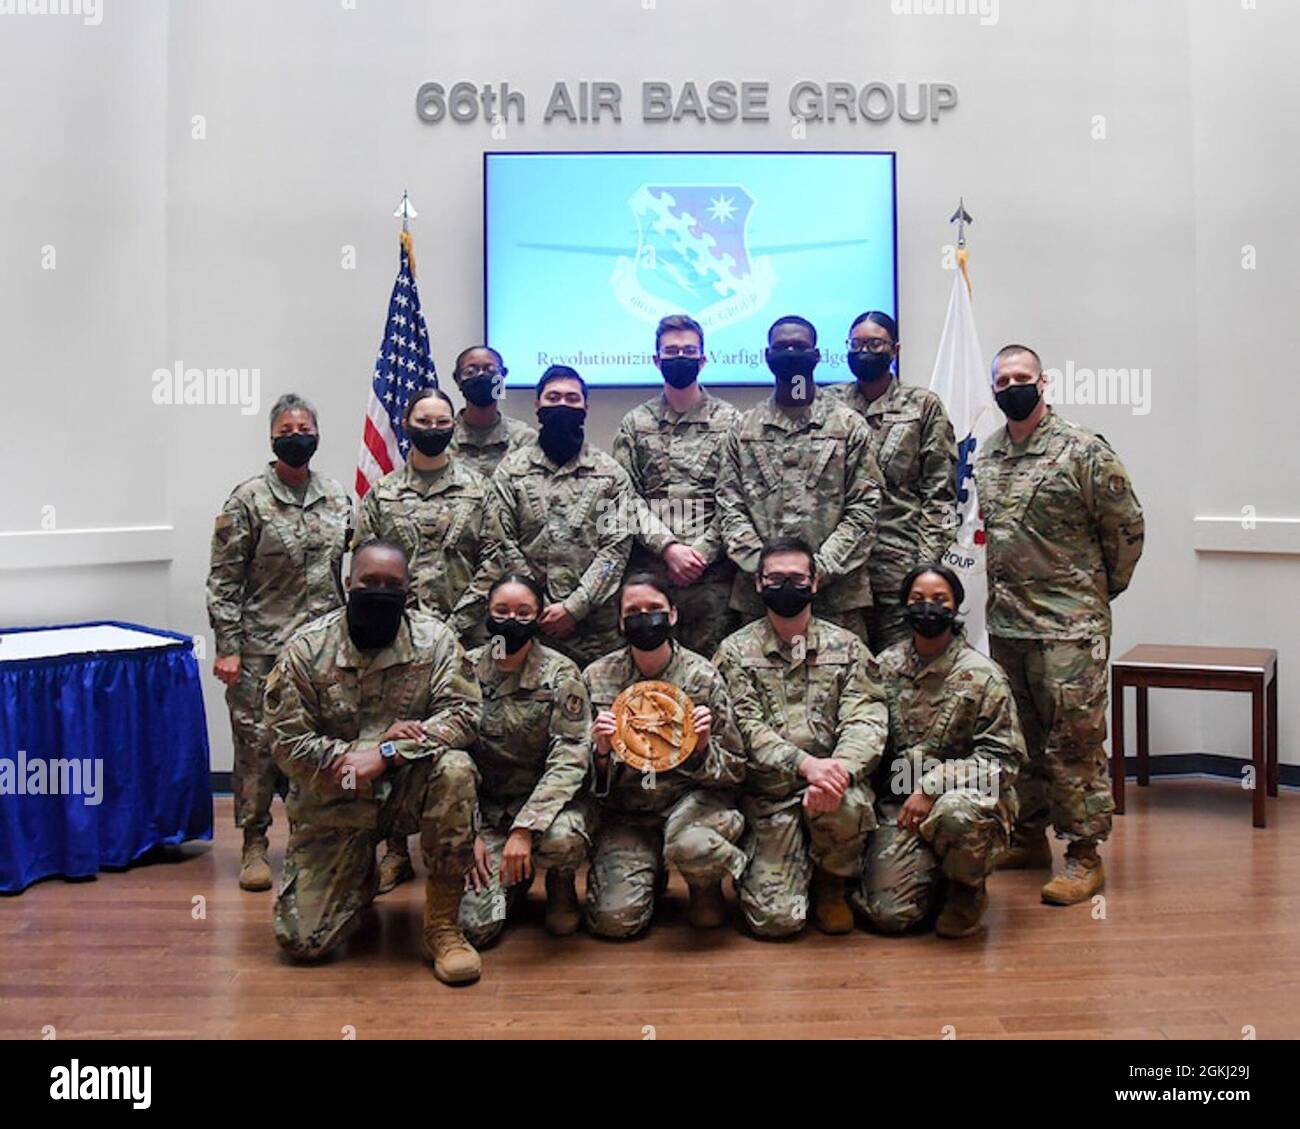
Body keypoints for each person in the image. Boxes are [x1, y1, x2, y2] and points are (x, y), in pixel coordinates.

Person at [263, 539, 484, 984]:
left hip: (405, 788)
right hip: (335, 798)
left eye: (392, 584)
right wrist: (357, 752)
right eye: (369, 582)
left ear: (408, 590)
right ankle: (357, 874)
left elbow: (465, 714)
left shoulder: (434, 640)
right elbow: (287, 744)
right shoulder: (306, 650)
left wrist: (386, 753)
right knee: (302, 941)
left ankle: (442, 926)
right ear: (348, 584)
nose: (380, 591)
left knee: (455, 769)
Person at [975, 344, 1144, 905]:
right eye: (1003, 379)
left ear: (1043, 382)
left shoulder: (1082, 450)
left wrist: (1094, 595)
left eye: (1023, 377)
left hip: (1069, 628)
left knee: (1073, 742)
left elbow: (1126, 529)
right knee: (1017, 738)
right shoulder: (989, 452)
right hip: (1008, 623)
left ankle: (1083, 853)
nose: (1012, 386)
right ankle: (1026, 837)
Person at [206, 393, 352, 892]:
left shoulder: (337, 496)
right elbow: (224, 579)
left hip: (323, 651)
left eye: (304, 427)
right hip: (261, 651)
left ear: (318, 434)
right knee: (258, 748)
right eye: (287, 429)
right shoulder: (247, 499)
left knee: (318, 744)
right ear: (272, 438)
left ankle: (312, 840)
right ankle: (253, 843)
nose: (297, 436)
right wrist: (227, 646)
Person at [714, 537, 888, 937]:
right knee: (776, 923)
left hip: (834, 790)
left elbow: (867, 719)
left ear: (814, 583)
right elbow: (744, 726)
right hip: (769, 794)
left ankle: (833, 882)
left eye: (796, 578)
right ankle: (784, 866)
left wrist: (837, 771)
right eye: (775, 578)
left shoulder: (848, 648)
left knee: (845, 806)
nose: (785, 586)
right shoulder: (734, 652)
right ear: (758, 585)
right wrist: (804, 765)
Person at [356, 386, 492, 893]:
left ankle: (458, 850)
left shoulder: (480, 490)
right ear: (405, 424)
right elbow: (364, 566)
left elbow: (496, 558)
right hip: (397, 643)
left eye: (441, 421)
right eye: (423, 420)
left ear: (453, 426)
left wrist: (458, 620)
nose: (432, 428)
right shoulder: (382, 494)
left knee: (460, 739)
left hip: (466, 637)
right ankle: (394, 851)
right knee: (398, 731)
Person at [857, 564, 1025, 938]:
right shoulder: (884, 667)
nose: (927, 608)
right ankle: (928, 875)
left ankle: (967, 889)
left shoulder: (983, 675)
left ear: (955, 607)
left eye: (939, 600)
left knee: (955, 815)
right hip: (900, 804)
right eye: (917, 600)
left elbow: (1004, 762)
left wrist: (932, 787)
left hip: (966, 801)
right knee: (889, 916)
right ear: (903, 606)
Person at [582, 572, 748, 937]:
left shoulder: (703, 676)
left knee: (694, 858)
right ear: (621, 623)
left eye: (654, 609)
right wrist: (602, 753)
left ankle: (704, 883)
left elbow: (735, 769)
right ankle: (647, 872)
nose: (646, 617)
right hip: (629, 812)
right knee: (614, 924)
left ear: (673, 615)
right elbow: (580, 776)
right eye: (634, 611)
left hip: (690, 804)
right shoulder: (597, 677)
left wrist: (702, 748)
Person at [717, 315, 884, 643]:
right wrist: (770, 575)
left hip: (837, 598)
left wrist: (815, 571)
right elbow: (729, 506)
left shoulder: (849, 427)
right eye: (782, 347)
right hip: (760, 599)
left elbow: (866, 508)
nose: (791, 353)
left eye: (799, 347)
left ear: (817, 356)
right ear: (767, 357)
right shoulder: (742, 430)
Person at [459, 573, 594, 945]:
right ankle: (513, 885)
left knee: (563, 841)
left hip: (545, 812)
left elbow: (570, 755)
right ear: (487, 613)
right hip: (486, 813)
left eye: (523, 612)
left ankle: (559, 880)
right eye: (501, 611)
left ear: (538, 618)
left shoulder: (560, 673)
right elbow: (451, 757)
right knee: (477, 929)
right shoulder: (463, 670)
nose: (511, 621)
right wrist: (467, 830)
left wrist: (525, 827)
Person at [473, 365, 634, 668]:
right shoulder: (510, 471)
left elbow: (616, 550)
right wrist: (538, 606)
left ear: (586, 407)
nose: (562, 405)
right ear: (537, 406)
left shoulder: (612, 475)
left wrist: (575, 607)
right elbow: (501, 542)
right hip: (526, 626)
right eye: (553, 397)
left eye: (572, 399)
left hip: (597, 631)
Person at [824, 312, 958, 653]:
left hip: (900, 564)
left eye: (875, 343)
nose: (865, 350)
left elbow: (940, 494)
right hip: (841, 570)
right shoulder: (828, 405)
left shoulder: (923, 405)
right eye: (857, 344)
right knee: (843, 670)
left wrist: (923, 568)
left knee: (900, 671)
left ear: (894, 350)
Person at [611, 314, 742, 658]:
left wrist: (699, 554)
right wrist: (670, 549)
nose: (679, 357)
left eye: (688, 351)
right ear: (656, 360)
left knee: (709, 674)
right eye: (671, 351)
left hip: (712, 579)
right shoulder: (635, 423)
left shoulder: (732, 422)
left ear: (703, 360)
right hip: (651, 579)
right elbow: (625, 500)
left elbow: (737, 498)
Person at [447, 345, 537, 480]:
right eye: (470, 372)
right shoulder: (444, 438)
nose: (482, 375)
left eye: (491, 370)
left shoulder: (524, 438)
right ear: (458, 379)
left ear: (503, 377)